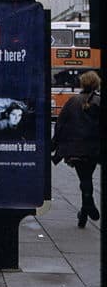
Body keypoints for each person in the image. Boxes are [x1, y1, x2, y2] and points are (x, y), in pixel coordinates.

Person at [51, 70, 101, 228]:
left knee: (84, 178)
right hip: (94, 149)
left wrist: (53, 146)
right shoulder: (100, 101)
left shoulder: (72, 101)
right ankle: (87, 206)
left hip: (75, 149)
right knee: (87, 177)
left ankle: (86, 209)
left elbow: (60, 125)